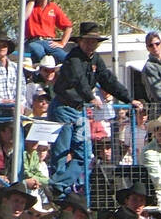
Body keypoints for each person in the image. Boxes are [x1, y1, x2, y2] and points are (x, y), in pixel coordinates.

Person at [48, 23, 142, 197]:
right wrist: (91, 98)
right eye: (88, 41)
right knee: (61, 152)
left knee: (84, 154)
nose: (91, 45)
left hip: (79, 111)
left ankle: (57, 185)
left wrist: (129, 99)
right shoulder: (73, 58)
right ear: (81, 41)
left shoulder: (96, 60)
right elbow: (79, 80)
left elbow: (108, 80)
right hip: (63, 108)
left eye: (94, 42)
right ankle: (58, 191)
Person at [23, 0, 71, 64]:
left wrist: (62, 43)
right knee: (40, 53)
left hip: (49, 42)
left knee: (67, 59)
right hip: (33, 41)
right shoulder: (29, 5)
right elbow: (24, 17)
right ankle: (40, 73)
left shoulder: (53, 7)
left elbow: (68, 27)